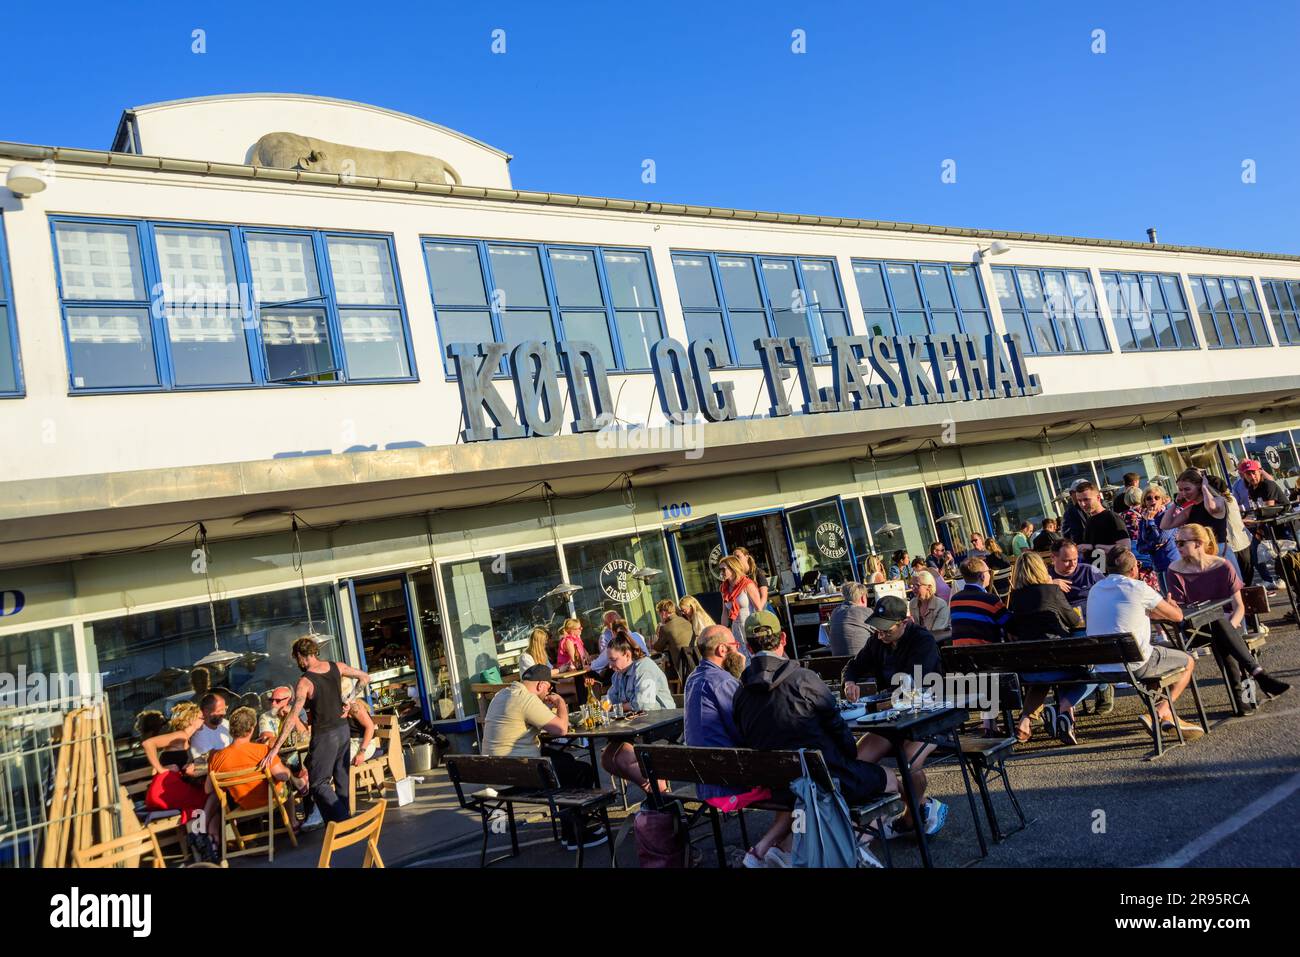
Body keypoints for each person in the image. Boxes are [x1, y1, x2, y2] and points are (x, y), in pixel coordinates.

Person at [732, 610, 922, 867]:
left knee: (825, 781)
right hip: (824, 779)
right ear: (783, 639)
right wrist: (849, 757)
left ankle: (775, 849)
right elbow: (839, 730)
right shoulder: (803, 679)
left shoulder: (740, 693)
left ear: (748, 647)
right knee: (888, 779)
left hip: (779, 785)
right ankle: (851, 843)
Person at [840, 595, 950, 837]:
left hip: (929, 716)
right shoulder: (876, 641)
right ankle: (921, 806)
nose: (880, 634)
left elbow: (912, 687)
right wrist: (849, 683)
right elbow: (853, 666)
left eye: (886, 629)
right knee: (857, 762)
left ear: (904, 622)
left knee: (909, 763)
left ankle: (911, 817)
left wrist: (880, 703)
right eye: (877, 628)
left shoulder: (922, 640)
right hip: (891, 719)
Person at [683, 624, 783, 864]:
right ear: (721, 649)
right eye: (735, 647)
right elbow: (744, 730)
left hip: (704, 780)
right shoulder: (722, 682)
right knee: (794, 782)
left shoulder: (693, 679)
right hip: (728, 786)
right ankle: (777, 847)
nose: (739, 652)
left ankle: (781, 845)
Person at [481, 663, 605, 850]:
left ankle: (571, 829)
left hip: (498, 776)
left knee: (565, 762)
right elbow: (562, 729)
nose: (550, 690)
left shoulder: (503, 694)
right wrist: (561, 703)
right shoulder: (525, 699)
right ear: (540, 685)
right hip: (520, 778)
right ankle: (575, 834)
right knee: (581, 771)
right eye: (549, 686)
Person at [1166, 524, 1290, 710]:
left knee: (1221, 630)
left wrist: (1229, 626)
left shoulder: (1222, 565)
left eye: (1182, 542)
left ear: (1199, 543)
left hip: (1226, 624)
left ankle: (1242, 700)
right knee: (1218, 623)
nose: (1178, 546)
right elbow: (1183, 612)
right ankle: (1257, 676)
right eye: (1176, 542)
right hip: (1195, 629)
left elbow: (1238, 606)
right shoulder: (1174, 570)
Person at [1086, 547, 1200, 740]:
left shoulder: (1095, 589)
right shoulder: (1138, 588)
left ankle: (1168, 716)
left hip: (1103, 667)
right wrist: (1171, 605)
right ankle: (1160, 711)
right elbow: (1178, 616)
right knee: (1188, 661)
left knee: (1155, 668)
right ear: (1133, 570)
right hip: (1135, 664)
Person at [262, 636, 370, 825]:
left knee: (318, 782)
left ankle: (344, 821)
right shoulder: (337, 666)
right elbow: (365, 677)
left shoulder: (305, 682)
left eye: (297, 660)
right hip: (343, 731)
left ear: (300, 656)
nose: (298, 664)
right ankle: (338, 827)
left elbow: (292, 716)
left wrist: (275, 748)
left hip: (325, 735)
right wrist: (350, 700)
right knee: (341, 779)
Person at [1004, 551, 1091, 742]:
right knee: (1090, 674)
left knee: (1042, 677)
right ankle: (1064, 710)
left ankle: (1026, 720)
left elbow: (1013, 626)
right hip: (1058, 663)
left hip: (1030, 666)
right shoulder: (1052, 590)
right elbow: (1074, 619)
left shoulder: (1016, 597)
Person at [600, 633, 675, 794]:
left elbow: (643, 704)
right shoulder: (618, 674)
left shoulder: (643, 667)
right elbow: (609, 699)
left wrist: (615, 707)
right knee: (607, 760)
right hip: (636, 727)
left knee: (622, 758)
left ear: (627, 655)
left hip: (661, 724)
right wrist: (604, 705)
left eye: (613, 660)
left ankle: (661, 793)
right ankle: (652, 791)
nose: (610, 666)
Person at [207, 706, 306, 817]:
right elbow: (283, 776)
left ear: (231, 730)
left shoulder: (216, 757)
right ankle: (293, 822)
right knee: (286, 781)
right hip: (270, 799)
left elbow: (208, 789)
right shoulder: (261, 750)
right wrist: (288, 771)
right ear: (251, 729)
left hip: (243, 804)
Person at [1160, 468, 1229, 550]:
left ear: (1199, 486)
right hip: (1202, 553)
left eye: (1187, 489)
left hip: (1219, 550)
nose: (1184, 493)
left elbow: (1211, 508)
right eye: (1180, 490)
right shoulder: (1191, 509)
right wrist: (1175, 503)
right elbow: (1165, 525)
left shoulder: (1218, 500)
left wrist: (1204, 488)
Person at [949, 557, 1011, 646]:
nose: (989, 574)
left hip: (961, 655)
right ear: (982, 576)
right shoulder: (990, 600)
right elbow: (1010, 625)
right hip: (986, 654)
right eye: (988, 571)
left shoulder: (955, 600)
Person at [1207, 474, 1254, 584]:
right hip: (1238, 542)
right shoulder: (1230, 499)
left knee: (1241, 575)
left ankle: (1246, 594)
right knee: (1244, 574)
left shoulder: (1223, 501)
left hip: (1237, 542)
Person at [1136, 485, 1180, 592]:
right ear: (1144, 502)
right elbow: (1140, 547)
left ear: (1163, 500)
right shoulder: (1143, 520)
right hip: (1157, 565)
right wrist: (1153, 545)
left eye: (1157, 497)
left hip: (1172, 563)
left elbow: (1161, 539)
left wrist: (1150, 522)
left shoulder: (1168, 515)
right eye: (1149, 498)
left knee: (1177, 599)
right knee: (1166, 598)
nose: (1153, 500)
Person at [719, 555, 762, 650]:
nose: (721, 572)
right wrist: (722, 633)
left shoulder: (747, 584)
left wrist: (760, 629)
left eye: (723, 569)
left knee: (754, 654)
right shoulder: (724, 588)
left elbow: (758, 609)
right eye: (720, 569)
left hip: (750, 626)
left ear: (733, 568)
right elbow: (725, 612)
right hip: (736, 628)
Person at [1076, 480, 1130, 555]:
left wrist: (1093, 547)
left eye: (1086, 499)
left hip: (1111, 565)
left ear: (1098, 498)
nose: (1083, 504)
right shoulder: (1090, 520)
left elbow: (1125, 548)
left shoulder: (1111, 517)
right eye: (1079, 500)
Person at [1048, 538, 1103, 606]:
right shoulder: (1045, 577)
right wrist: (1049, 585)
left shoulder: (1089, 571)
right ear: (1053, 557)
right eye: (1067, 561)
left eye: (1075, 559)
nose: (1073, 564)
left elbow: (1108, 592)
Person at [653, 598, 697, 681]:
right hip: (695, 659)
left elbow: (657, 648)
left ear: (663, 613)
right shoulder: (686, 621)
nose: (660, 616)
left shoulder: (665, 628)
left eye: (659, 613)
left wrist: (656, 636)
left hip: (682, 664)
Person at [827, 581, 873, 657]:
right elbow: (883, 632)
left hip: (839, 663)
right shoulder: (866, 612)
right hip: (862, 662)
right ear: (863, 598)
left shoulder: (835, 612)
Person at [340, 676, 377, 765]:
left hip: (363, 745)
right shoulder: (345, 705)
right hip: (351, 743)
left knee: (337, 762)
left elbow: (370, 727)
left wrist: (361, 753)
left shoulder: (355, 706)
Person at [910, 570, 951, 641]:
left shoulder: (941, 605)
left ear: (929, 587)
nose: (913, 589)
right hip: (921, 642)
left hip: (937, 645)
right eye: (912, 585)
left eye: (917, 585)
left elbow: (937, 633)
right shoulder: (913, 603)